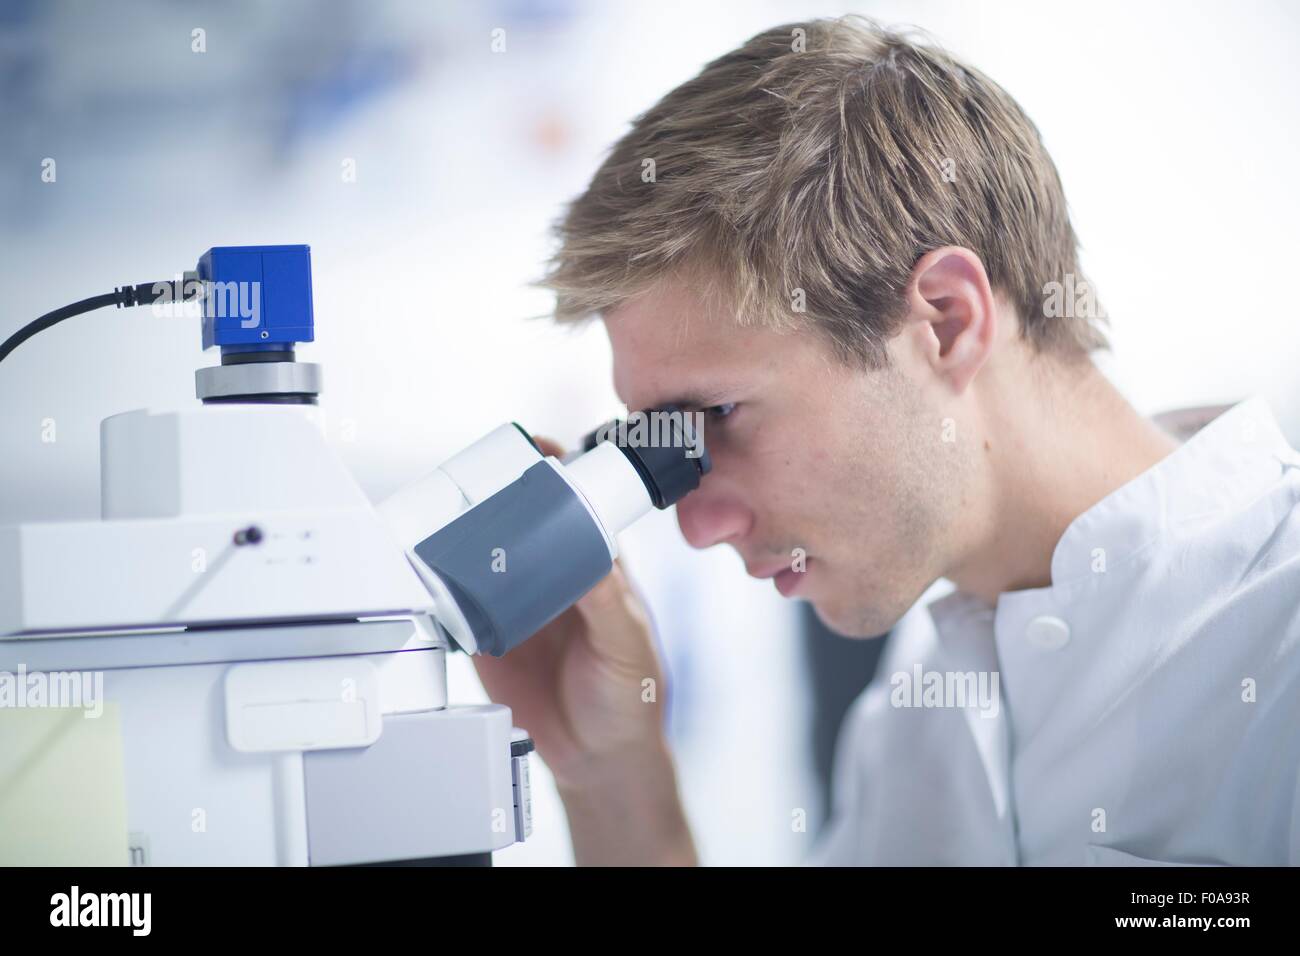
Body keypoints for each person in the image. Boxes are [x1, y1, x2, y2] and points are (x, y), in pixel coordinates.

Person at [473, 16, 1300, 865]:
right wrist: (613, 778)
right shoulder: (915, 731)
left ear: (947, 321)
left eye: (718, 415)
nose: (696, 524)